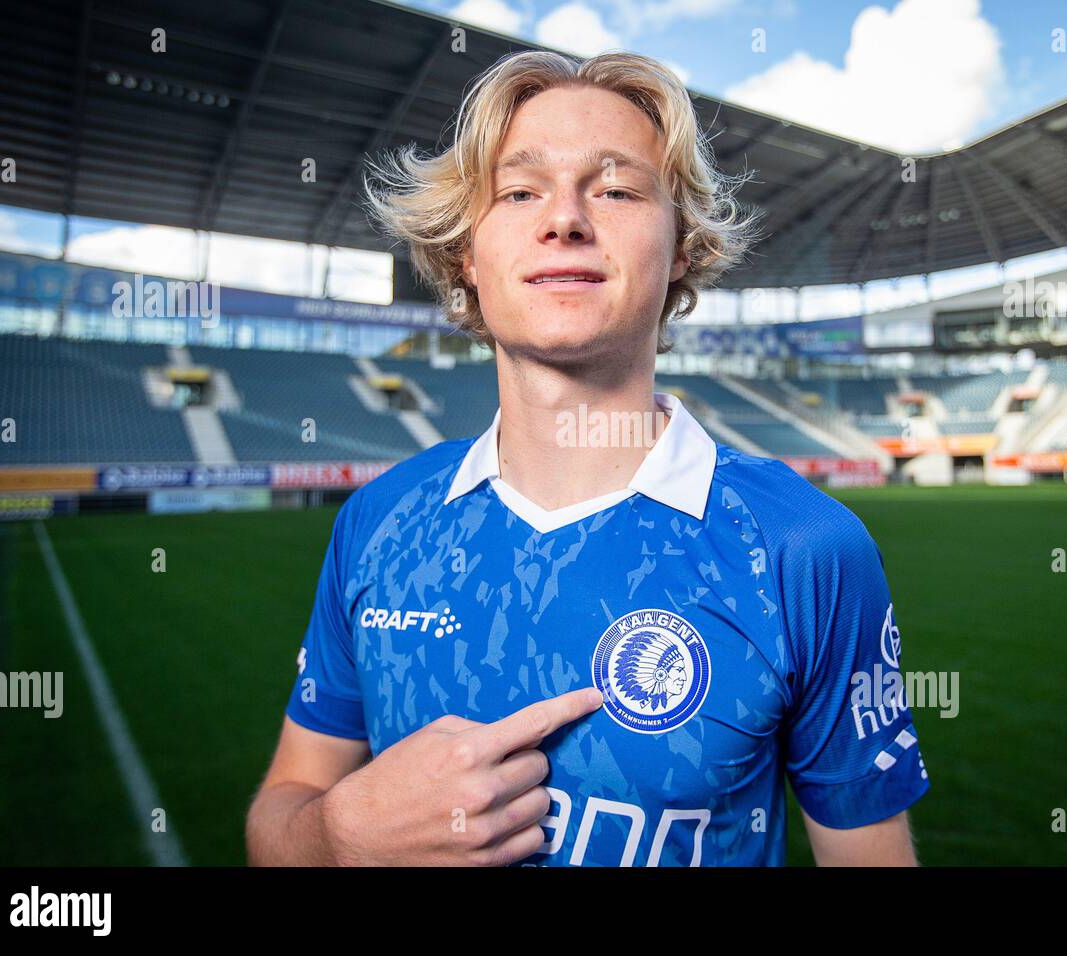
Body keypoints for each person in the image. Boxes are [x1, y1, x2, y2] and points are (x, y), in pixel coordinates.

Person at [245, 49, 929, 867]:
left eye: (615, 189)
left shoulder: (805, 549)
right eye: (520, 191)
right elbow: (281, 811)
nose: (564, 218)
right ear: (467, 254)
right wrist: (333, 836)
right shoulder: (378, 519)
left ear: (682, 247)